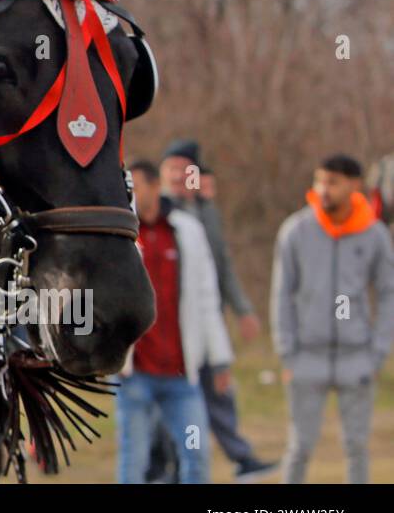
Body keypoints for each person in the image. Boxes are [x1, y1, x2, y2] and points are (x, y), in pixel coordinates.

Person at [149, 139, 277, 482]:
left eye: (184, 170)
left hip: (207, 321)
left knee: (216, 392)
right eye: (170, 169)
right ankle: (165, 467)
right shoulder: (152, 214)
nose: (177, 176)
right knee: (171, 401)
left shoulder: (206, 214)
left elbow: (223, 267)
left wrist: (243, 310)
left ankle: (238, 457)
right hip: (167, 330)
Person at [271, 154, 394, 484]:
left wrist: (378, 351)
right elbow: (282, 294)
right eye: (320, 180)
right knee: (299, 448)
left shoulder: (374, 235)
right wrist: (288, 352)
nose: (324, 189)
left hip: (357, 358)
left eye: (333, 182)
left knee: (356, 448)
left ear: (354, 186)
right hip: (306, 357)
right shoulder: (296, 231)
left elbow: (388, 293)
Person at [116, 161, 232, 484]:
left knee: (195, 457)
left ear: (155, 187)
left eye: (137, 186)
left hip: (183, 377)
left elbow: (208, 296)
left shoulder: (188, 232)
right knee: (134, 462)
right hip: (136, 376)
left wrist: (220, 359)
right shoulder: (122, 233)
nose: (133, 194)